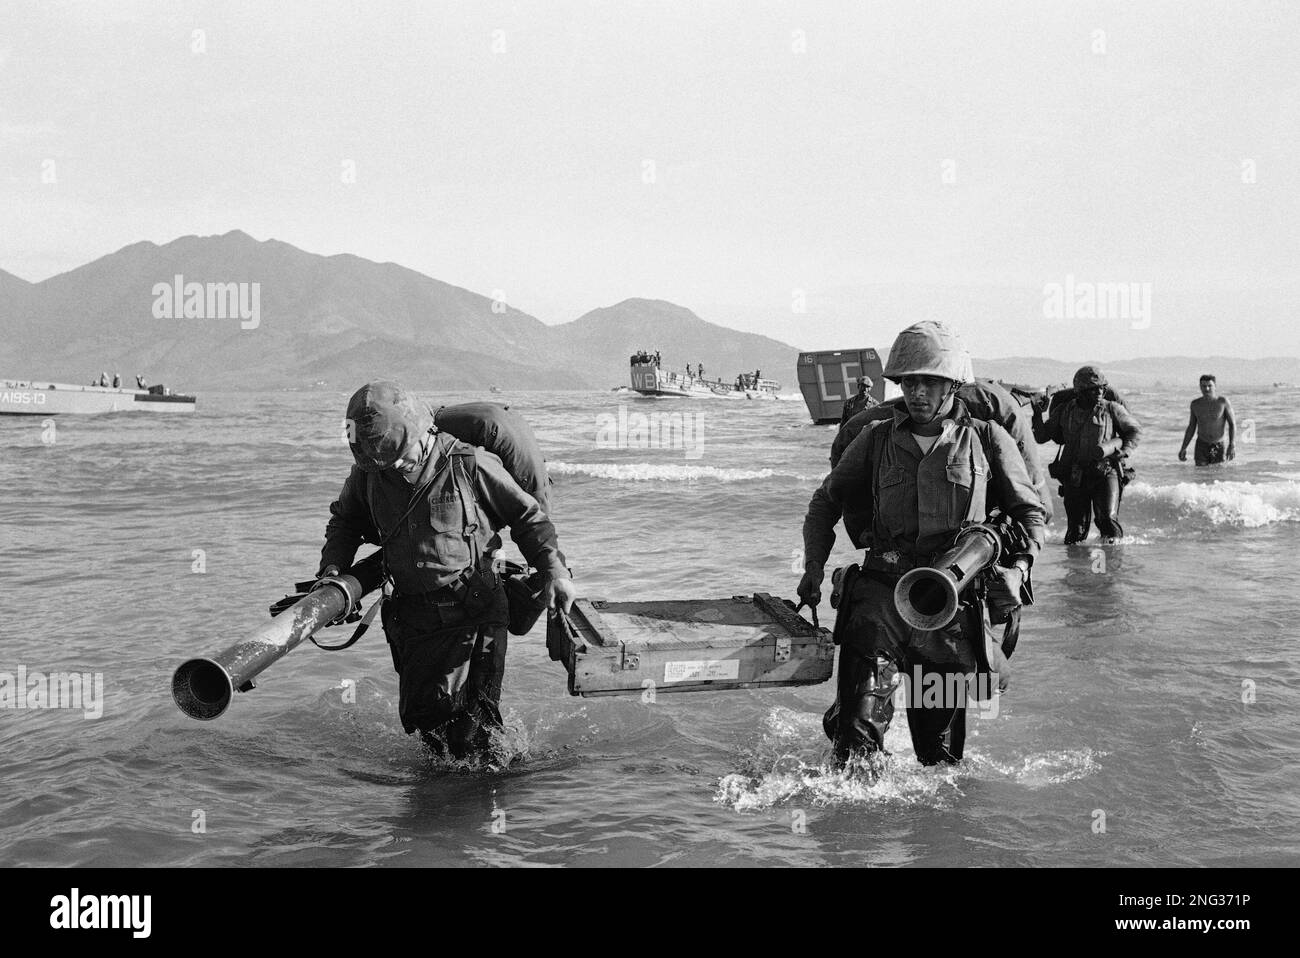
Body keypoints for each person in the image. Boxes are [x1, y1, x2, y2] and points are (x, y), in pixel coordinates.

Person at [799, 321, 1045, 768]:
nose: (917, 393)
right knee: (856, 744)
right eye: (910, 382)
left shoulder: (987, 439)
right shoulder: (873, 439)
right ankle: (851, 829)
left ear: (952, 384)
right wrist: (813, 566)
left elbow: (1030, 514)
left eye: (929, 382)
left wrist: (1020, 570)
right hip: (880, 607)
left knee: (941, 760)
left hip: (949, 614)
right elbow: (825, 502)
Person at [319, 381, 576, 761]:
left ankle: (489, 803)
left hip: (474, 612)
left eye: (403, 459)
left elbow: (528, 519)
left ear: (422, 435)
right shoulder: (371, 474)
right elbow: (344, 522)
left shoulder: (470, 465)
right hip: (415, 618)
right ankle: (445, 806)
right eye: (385, 464)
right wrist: (332, 569)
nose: (396, 468)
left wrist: (555, 573)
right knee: (426, 728)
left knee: (476, 734)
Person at [1033, 366, 1140, 545]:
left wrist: (1123, 451)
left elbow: (1134, 431)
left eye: (1102, 388)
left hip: (1105, 471)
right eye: (1094, 389)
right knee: (1076, 530)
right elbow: (1041, 436)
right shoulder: (1065, 410)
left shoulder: (1111, 409)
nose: (1100, 392)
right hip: (1076, 476)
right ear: (1080, 391)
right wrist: (1037, 413)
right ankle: (1079, 570)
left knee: (1107, 521)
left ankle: (1109, 568)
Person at [1178, 375, 1236, 465]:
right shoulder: (1195, 404)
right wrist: (1183, 448)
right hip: (1201, 445)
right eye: (1204, 386)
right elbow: (1191, 427)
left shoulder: (1222, 402)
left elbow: (1232, 424)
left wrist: (1232, 445)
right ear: (1200, 387)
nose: (1207, 389)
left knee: (1219, 475)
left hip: (1219, 444)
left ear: (1215, 386)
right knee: (1200, 475)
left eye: (1210, 386)